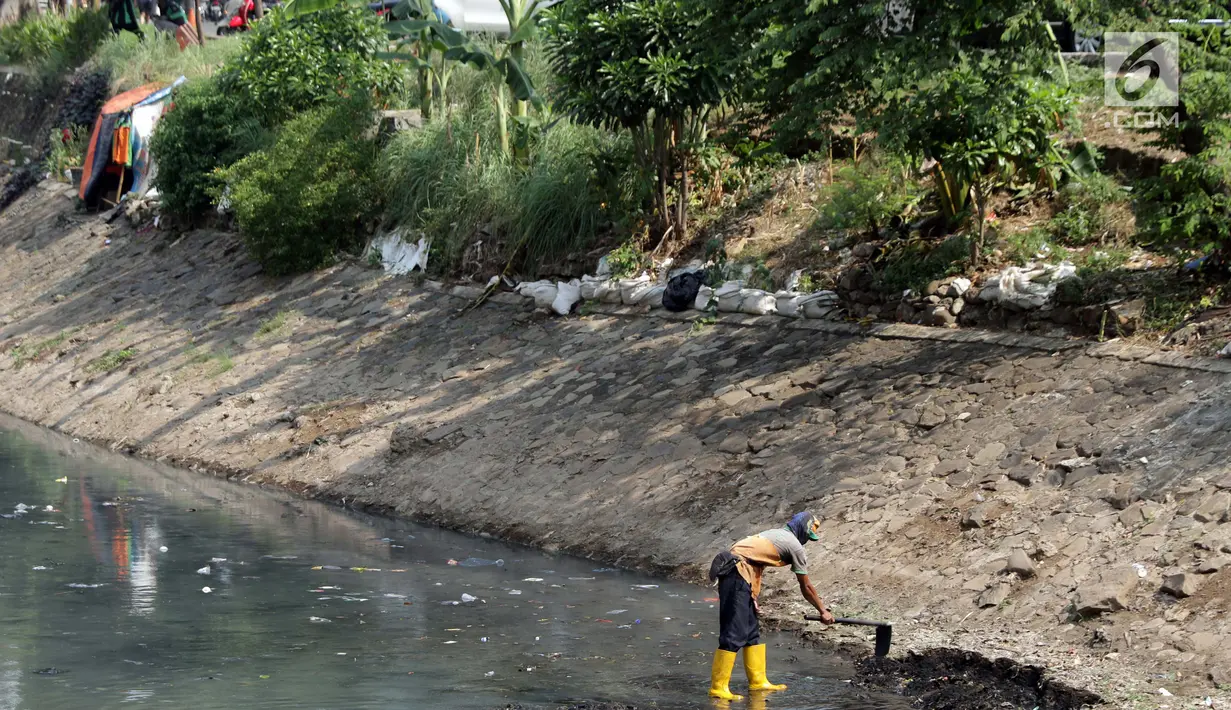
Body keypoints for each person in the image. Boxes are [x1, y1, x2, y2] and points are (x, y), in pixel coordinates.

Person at [706, 511, 835, 701]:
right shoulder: (794, 546)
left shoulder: (775, 535)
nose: (807, 540)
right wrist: (823, 611)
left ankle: (758, 682)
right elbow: (806, 586)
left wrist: (753, 595)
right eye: (808, 535)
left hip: (741, 574)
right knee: (734, 632)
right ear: (801, 530)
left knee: (751, 632)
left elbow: (755, 563)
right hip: (734, 572)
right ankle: (718, 687)